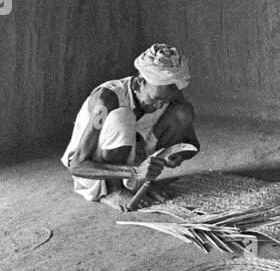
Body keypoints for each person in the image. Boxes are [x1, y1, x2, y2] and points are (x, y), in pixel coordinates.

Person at [61, 43, 200, 210]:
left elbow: (193, 145)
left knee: (182, 111)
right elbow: (77, 166)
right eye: (155, 99)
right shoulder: (107, 99)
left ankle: (141, 185)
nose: (158, 106)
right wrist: (134, 172)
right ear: (138, 83)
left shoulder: (169, 95)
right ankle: (114, 191)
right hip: (97, 174)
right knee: (123, 117)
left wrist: (179, 155)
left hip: (133, 167)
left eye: (164, 100)